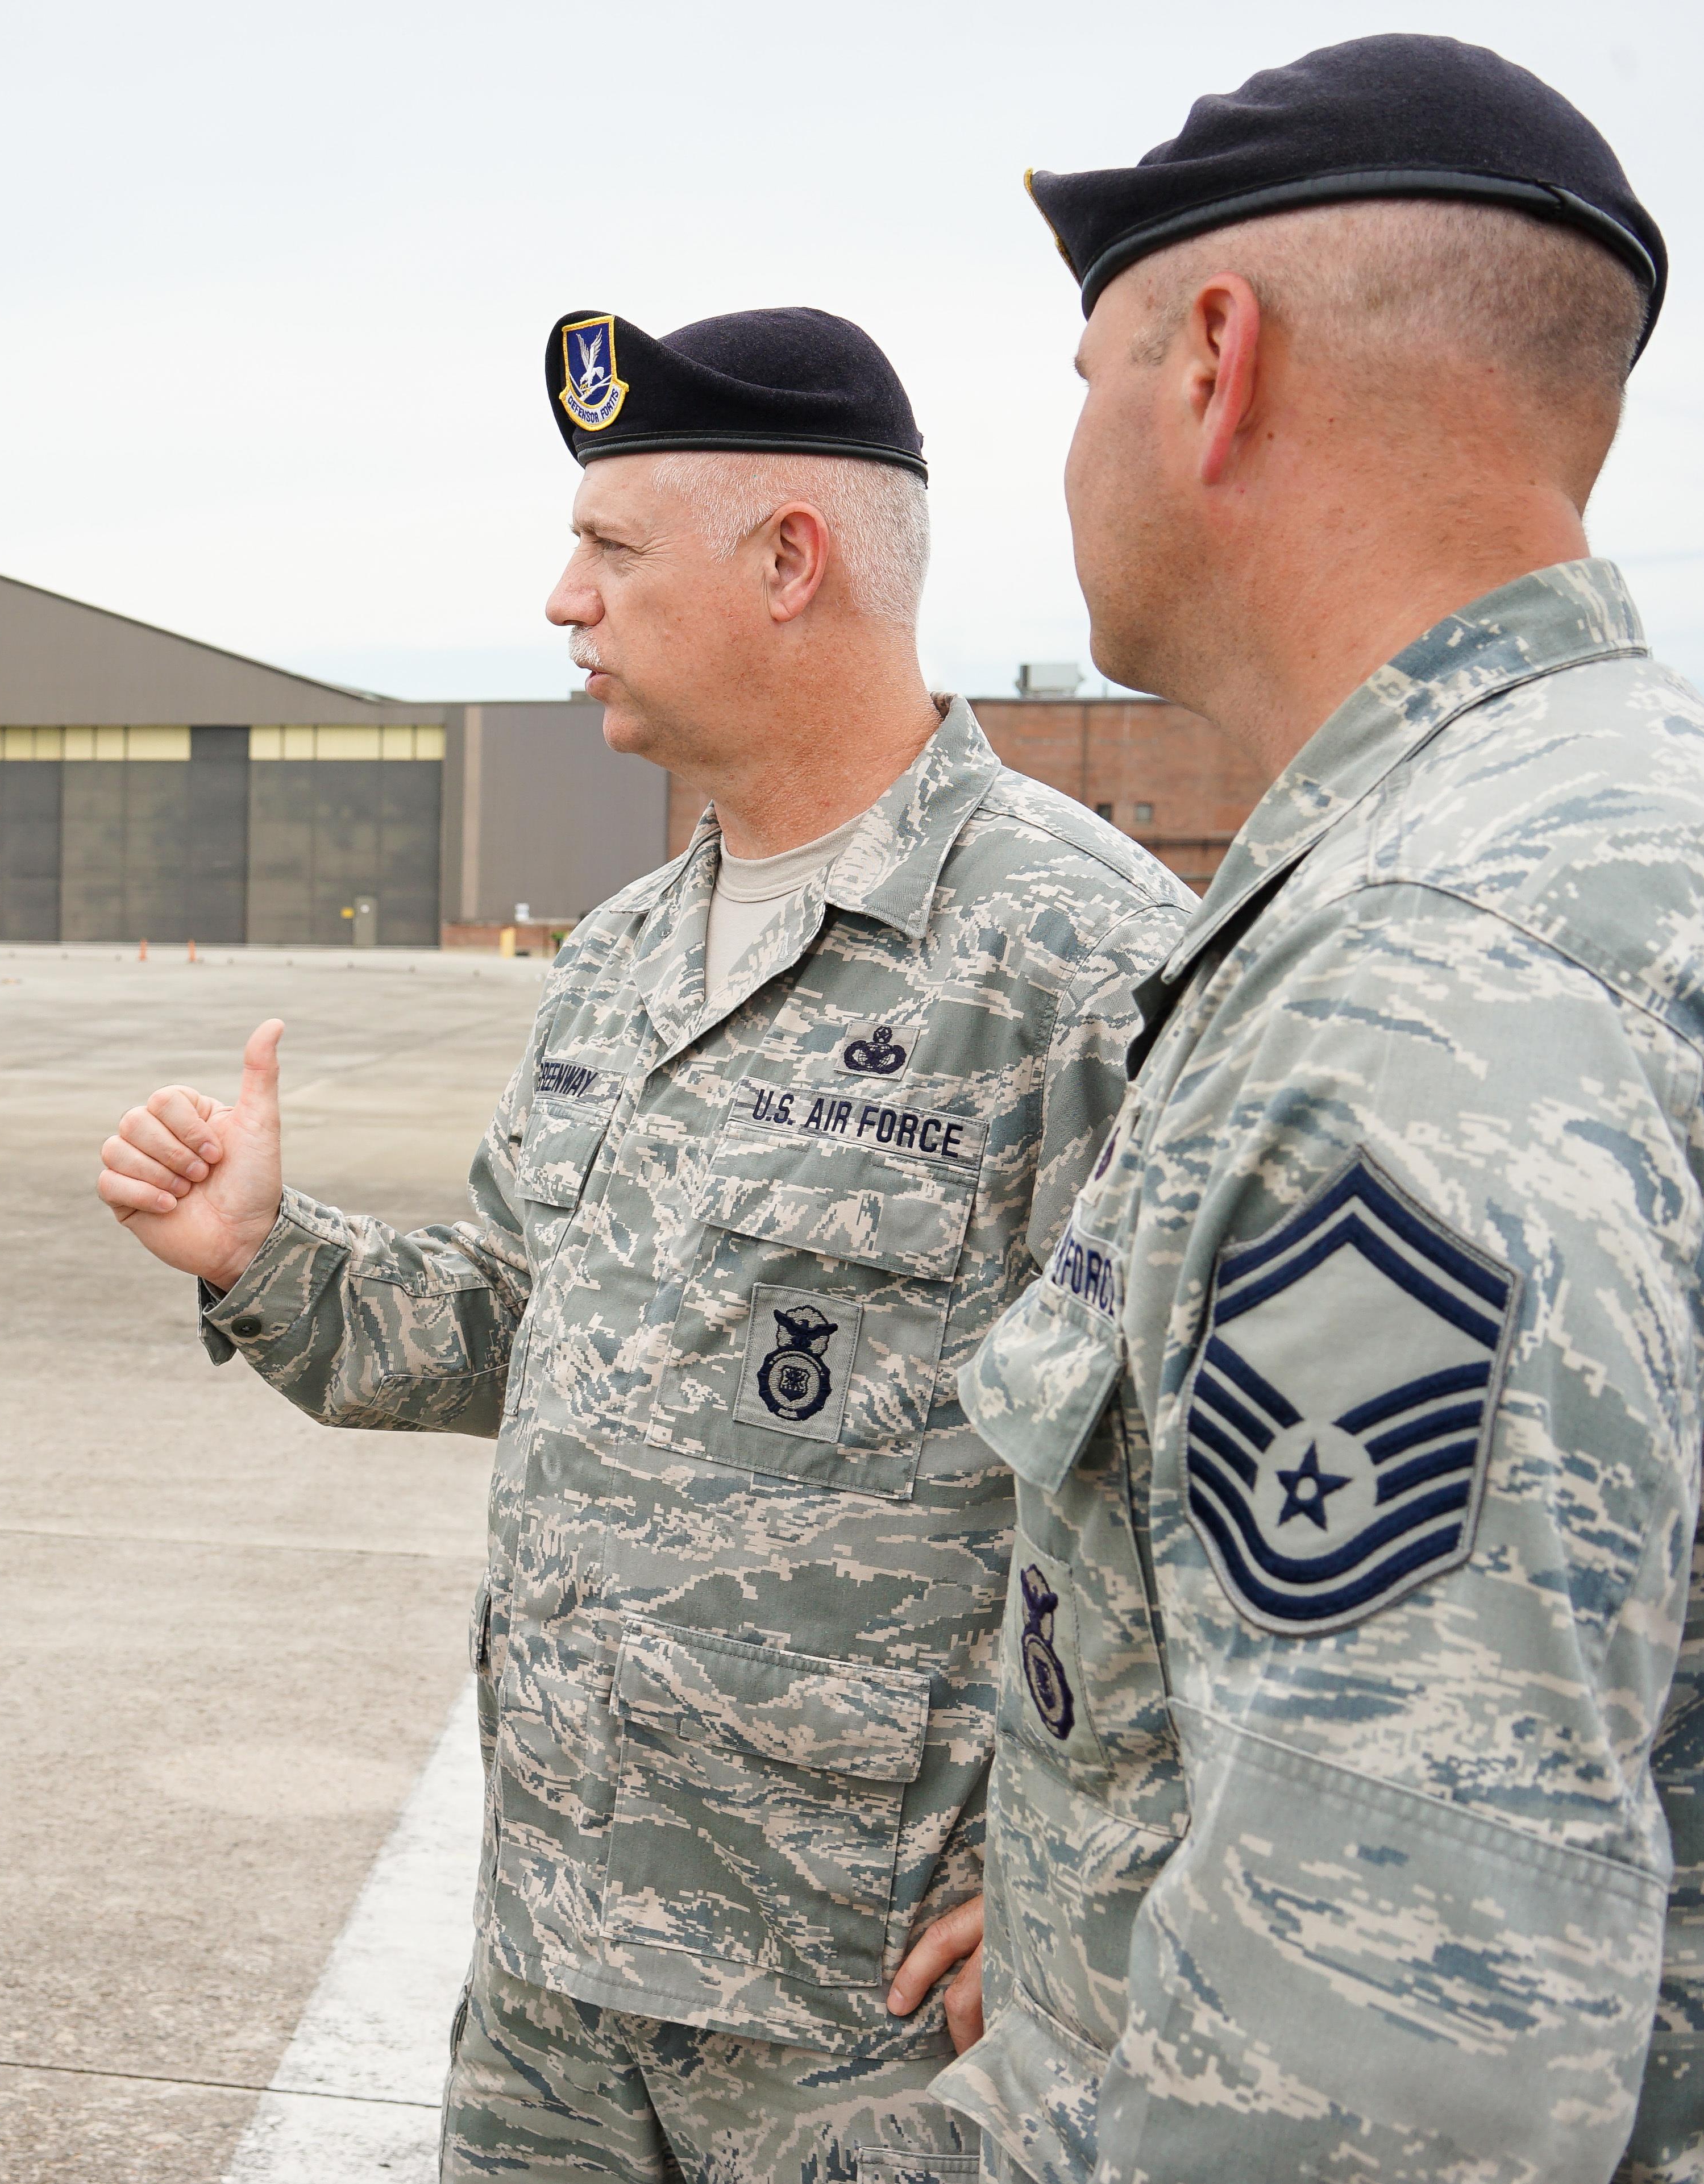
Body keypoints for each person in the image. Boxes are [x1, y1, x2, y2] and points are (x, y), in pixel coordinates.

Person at [96, 307, 1193, 2180]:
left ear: (789, 560)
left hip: (875, 2021)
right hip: (555, 1981)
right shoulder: (617, 954)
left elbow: (1198, 1475)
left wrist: (1089, 1879)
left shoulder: (1079, 958)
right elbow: (516, 1323)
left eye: (608, 550)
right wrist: (263, 1254)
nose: (557, 599)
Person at [924, 35, 1704, 2182]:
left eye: (1084, 378)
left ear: (1211, 364)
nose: (1071, 449)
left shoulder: (1424, 976)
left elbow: (1392, 2045)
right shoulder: (1618, 828)